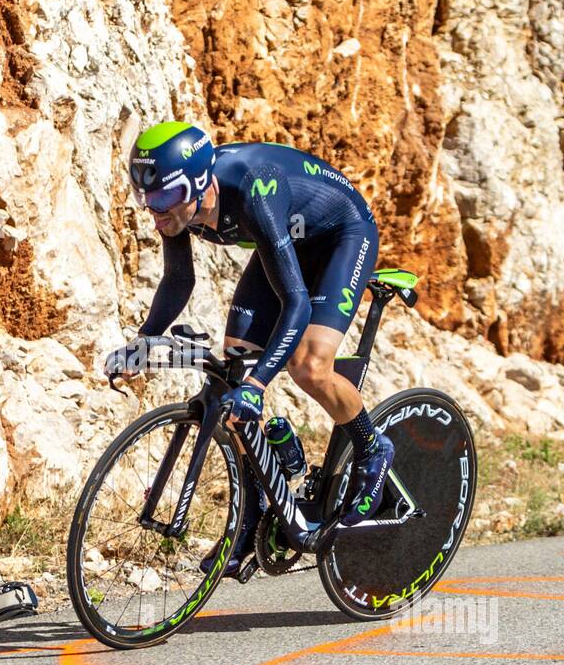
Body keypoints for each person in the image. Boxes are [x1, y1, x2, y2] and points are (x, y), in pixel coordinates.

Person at [104, 121, 394, 577]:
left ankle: (372, 447)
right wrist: (143, 341)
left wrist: (259, 384)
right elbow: (179, 279)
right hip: (285, 242)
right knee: (231, 375)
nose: (153, 211)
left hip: (341, 235)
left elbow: (295, 303)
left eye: (161, 198)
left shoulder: (251, 190)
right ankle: (254, 509)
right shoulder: (178, 201)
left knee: (309, 366)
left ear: (200, 183)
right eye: (145, 198)